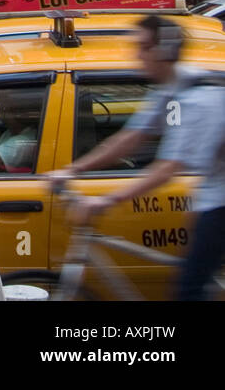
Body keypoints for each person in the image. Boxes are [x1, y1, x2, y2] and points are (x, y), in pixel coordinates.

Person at [50, 15, 225, 300]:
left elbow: (167, 169)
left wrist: (105, 200)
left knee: (189, 289)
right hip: (213, 194)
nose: (137, 55)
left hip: (221, 201)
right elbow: (131, 138)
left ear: (164, 51)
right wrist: (72, 169)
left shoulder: (197, 99)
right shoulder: (173, 91)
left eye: (143, 47)